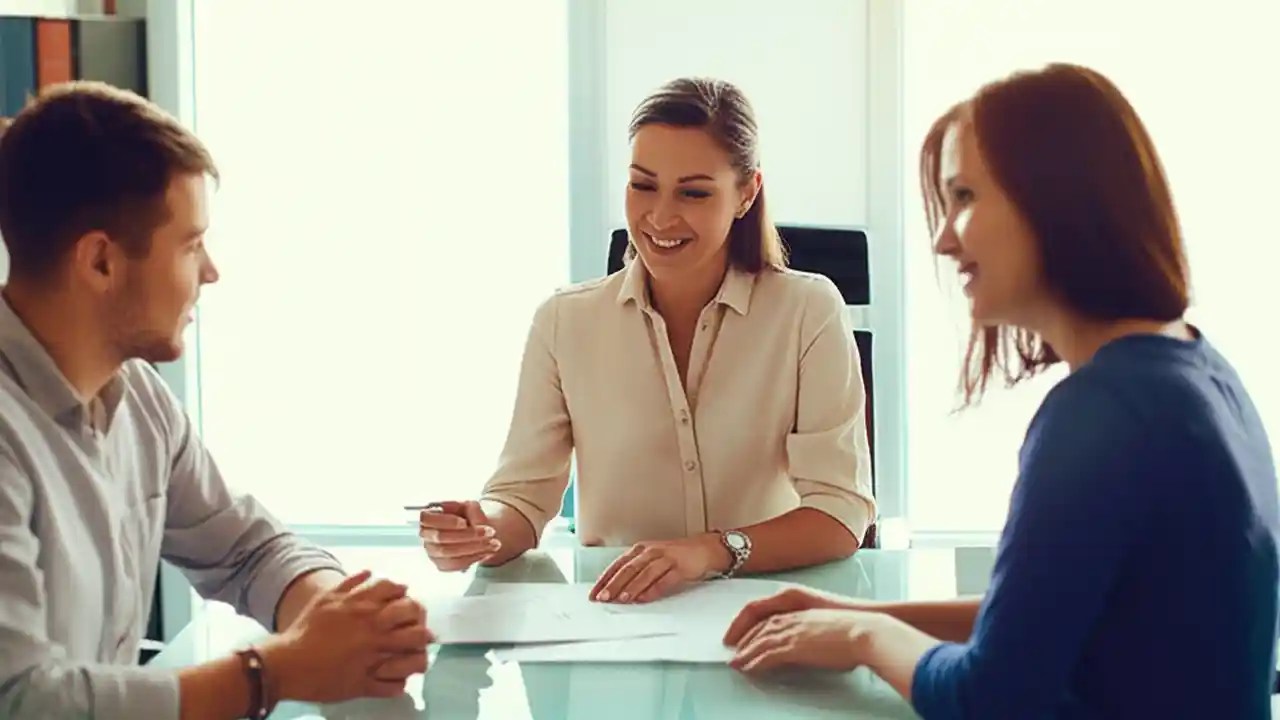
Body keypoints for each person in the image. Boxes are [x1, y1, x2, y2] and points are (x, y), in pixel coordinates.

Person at [722, 63, 1280, 718]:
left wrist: (864, 635)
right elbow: (1051, 614)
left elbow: (988, 697)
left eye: (964, 197)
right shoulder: (1195, 369)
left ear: (1054, 200)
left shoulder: (1104, 415)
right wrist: (859, 610)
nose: (944, 238)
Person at [0, 82, 431, 720]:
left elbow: (245, 550)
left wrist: (348, 620)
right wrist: (272, 674)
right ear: (100, 262)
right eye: (191, 244)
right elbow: (22, 699)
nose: (210, 271)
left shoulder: (139, 397)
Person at [417, 77, 875, 603]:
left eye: (694, 192)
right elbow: (521, 502)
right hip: (613, 624)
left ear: (746, 193)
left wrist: (709, 550)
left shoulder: (808, 311)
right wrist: (479, 531)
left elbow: (840, 514)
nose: (659, 216)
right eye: (642, 185)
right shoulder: (564, 322)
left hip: (763, 614)